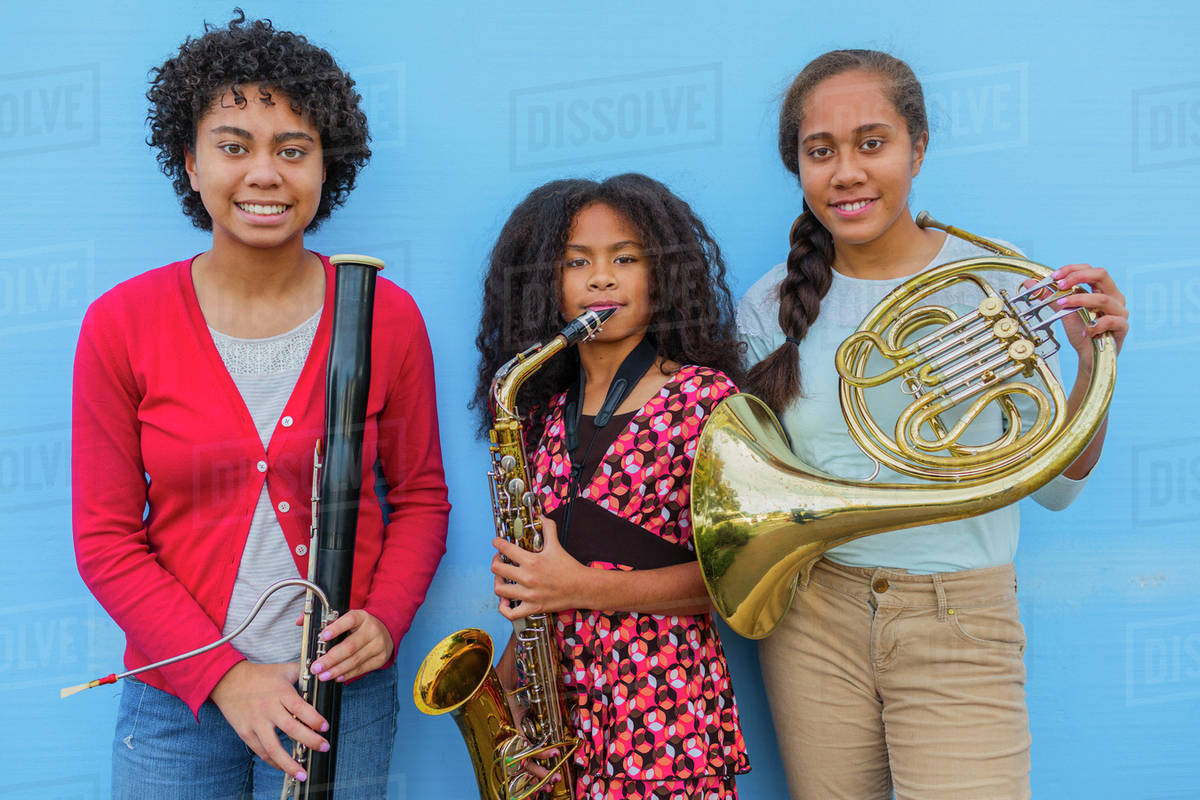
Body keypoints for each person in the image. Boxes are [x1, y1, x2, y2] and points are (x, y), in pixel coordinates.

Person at [71, 11, 449, 798]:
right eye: (234, 146)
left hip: (341, 693)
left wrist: (385, 619)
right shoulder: (120, 323)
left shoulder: (387, 317)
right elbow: (106, 540)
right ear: (191, 161)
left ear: (326, 165)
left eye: (293, 149)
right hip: (177, 698)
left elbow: (419, 499)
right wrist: (226, 677)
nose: (265, 174)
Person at [738, 49, 1129, 800]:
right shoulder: (765, 307)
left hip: (961, 614)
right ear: (798, 167)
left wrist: (1093, 368)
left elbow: (1056, 488)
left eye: (872, 143)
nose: (847, 172)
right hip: (813, 616)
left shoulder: (999, 283)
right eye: (821, 151)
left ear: (918, 149)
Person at [475, 174, 751, 800]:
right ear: (547, 284)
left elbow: (734, 583)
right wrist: (510, 689)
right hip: (561, 714)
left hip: (664, 709)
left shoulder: (707, 400)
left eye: (625, 259)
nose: (601, 279)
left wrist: (578, 586)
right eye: (577, 263)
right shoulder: (543, 417)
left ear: (663, 276)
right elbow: (542, 583)